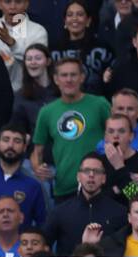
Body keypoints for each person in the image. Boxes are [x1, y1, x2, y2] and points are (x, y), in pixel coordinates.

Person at [30, 58, 108, 202]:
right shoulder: (47, 112)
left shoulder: (100, 104)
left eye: (73, 75)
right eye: (64, 75)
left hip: (99, 186)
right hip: (64, 188)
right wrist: (37, 167)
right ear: (56, 79)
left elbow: (117, 138)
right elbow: (37, 151)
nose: (69, 79)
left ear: (82, 77)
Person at [41, 153, 124, 257]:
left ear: (104, 178)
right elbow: (43, 247)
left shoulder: (119, 212)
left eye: (97, 171)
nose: (91, 175)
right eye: (86, 171)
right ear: (78, 176)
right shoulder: (60, 212)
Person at [0, 0, 49, 93]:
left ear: (26, 4)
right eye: (7, 2)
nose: (13, 6)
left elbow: (38, 62)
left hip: (27, 93)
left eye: (18, 2)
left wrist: (13, 44)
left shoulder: (38, 31)